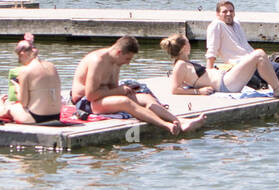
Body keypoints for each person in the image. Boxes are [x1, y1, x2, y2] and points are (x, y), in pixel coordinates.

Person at [71, 36, 203, 135]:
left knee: (145, 97)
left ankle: (180, 121)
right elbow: (91, 94)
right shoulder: (98, 61)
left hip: (102, 98)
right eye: (127, 58)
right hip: (85, 102)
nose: (128, 63)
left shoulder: (116, 62)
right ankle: (167, 125)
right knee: (125, 101)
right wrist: (120, 91)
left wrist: (124, 90)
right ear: (119, 53)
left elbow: (111, 88)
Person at [205, 1, 279, 88]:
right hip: (243, 65)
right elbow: (212, 51)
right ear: (217, 14)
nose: (229, 13)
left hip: (255, 59)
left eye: (231, 11)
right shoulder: (216, 25)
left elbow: (244, 47)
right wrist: (208, 76)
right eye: (224, 11)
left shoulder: (236, 24)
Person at [0, 33, 62, 123]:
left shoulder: (25, 71)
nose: (19, 61)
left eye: (19, 58)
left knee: (6, 109)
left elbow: (23, 102)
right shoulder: (52, 66)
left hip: (36, 118)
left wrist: (17, 87)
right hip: (56, 116)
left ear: (22, 54)